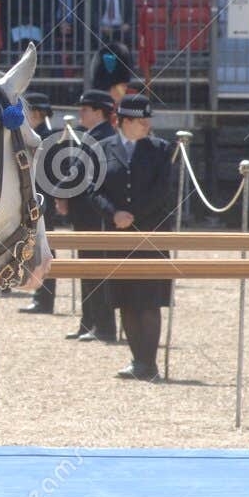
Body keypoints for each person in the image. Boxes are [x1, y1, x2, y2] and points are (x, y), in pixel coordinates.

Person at [94, 94, 177, 381]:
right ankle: (138, 360)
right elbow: (93, 189)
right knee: (125, 299)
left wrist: (133, 216)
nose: (147, 125)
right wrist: (113, 214)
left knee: (149, 299)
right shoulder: (102, 149)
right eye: (142, 121)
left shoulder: (161, 149)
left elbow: (163, 191)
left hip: (151, 234)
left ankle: (149, 363)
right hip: (117, 236)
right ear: (125, 121)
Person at [64, 89, 120, 344]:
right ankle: (89, 321)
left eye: (85, 109)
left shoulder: (102, 137)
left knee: (97, 269)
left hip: (94, 213)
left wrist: (61, 193)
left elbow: (80, 173)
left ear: (99, 112)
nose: (81, 113)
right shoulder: (94, 136)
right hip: (85, 211)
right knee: (87, 268)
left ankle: (104, 325)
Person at [18, 90, 55, 315]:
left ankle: (44, 298)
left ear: (38, 114)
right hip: (38, 198)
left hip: (42, 199)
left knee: (44, 247)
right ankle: (40, 296)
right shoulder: (39, 136)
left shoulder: (45, 138)